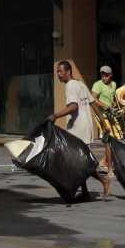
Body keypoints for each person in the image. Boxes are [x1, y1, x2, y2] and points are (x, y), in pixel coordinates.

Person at [48, 60, 110, 200]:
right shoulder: (80, 84)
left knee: (80, 161)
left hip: (78, 129)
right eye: (57, 72)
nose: (58, 74)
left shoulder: (70, 85)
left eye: (60, 71)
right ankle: (85, 192)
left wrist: (55, 115)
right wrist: (104, 124)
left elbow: (73, 106)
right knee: (78, 160)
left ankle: (104, 180)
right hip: (85, 128)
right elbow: (94, 105)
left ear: (68, 72)